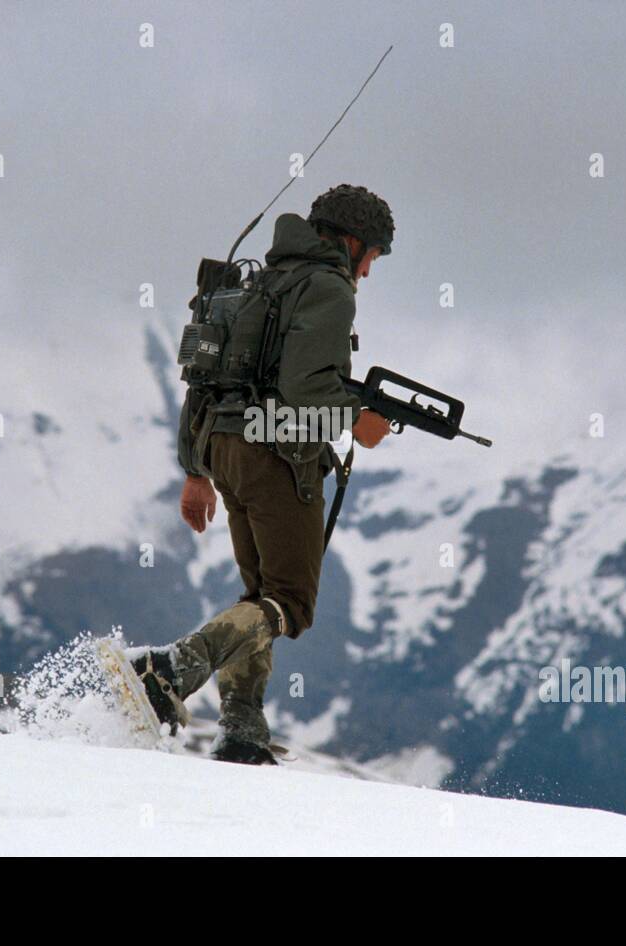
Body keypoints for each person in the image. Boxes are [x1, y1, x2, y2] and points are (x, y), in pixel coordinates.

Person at [130, 184, 395, 764]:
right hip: (275, 455)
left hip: (225, 449)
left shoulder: (258, 285)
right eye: (372, 254)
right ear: (350, 242)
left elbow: (206, 379)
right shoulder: (327, 288)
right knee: (290, 604)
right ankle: (169, 669)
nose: (369, 271)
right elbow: (303, 391)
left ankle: (243, 731)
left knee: (259, 600)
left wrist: (196, 470)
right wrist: (357, 420)